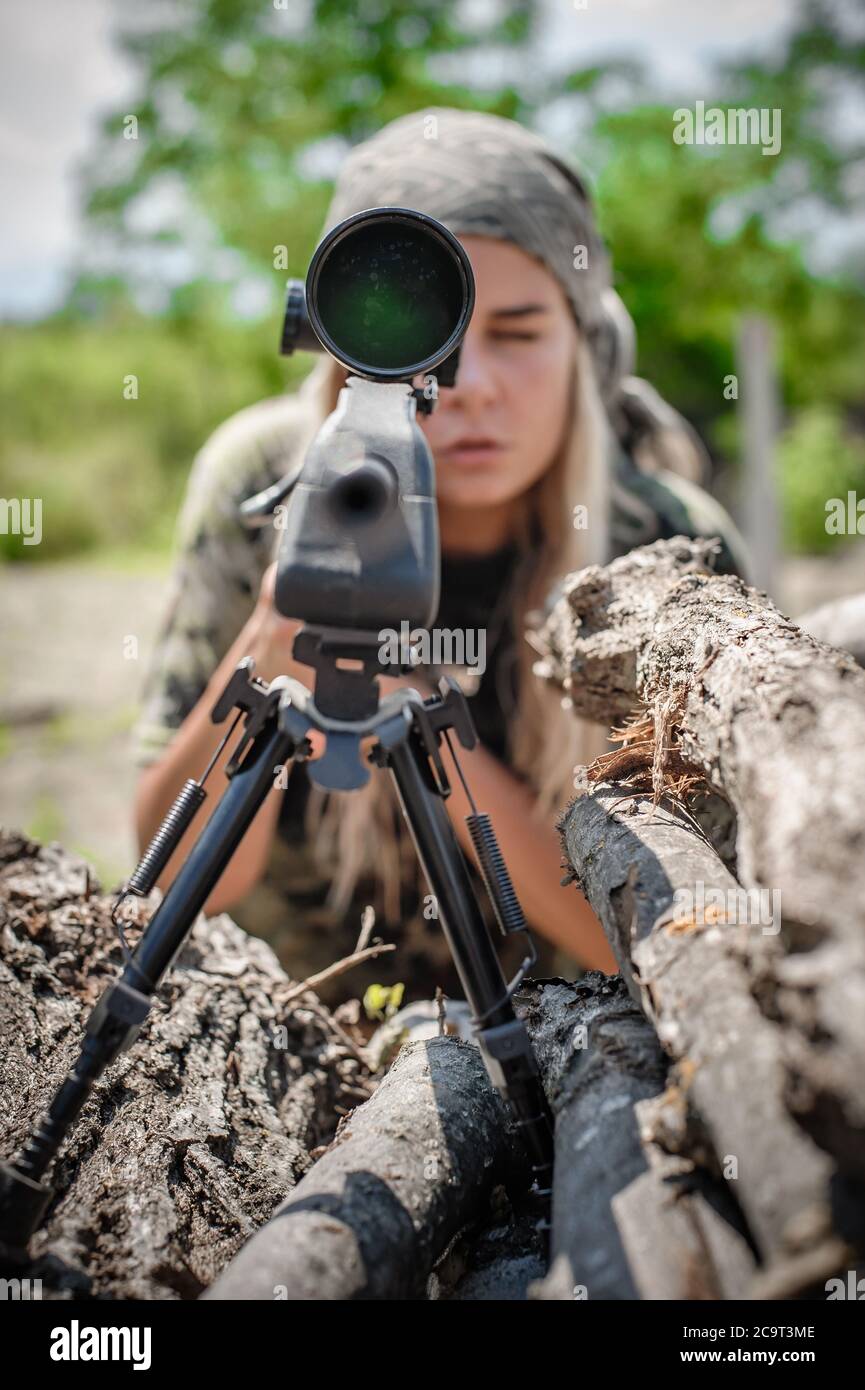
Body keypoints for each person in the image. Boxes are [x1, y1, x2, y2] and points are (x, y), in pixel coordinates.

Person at [131, 107, 748, 1012]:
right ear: (338, 343)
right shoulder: (260, 484)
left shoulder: (660, 539)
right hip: (291, 1016)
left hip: (568, 1035)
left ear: (585, 345)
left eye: (520, 332)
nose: (470, 387)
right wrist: (278, 640)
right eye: (428, 338)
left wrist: (415, 706)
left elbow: (662, 943)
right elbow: (170, 890)